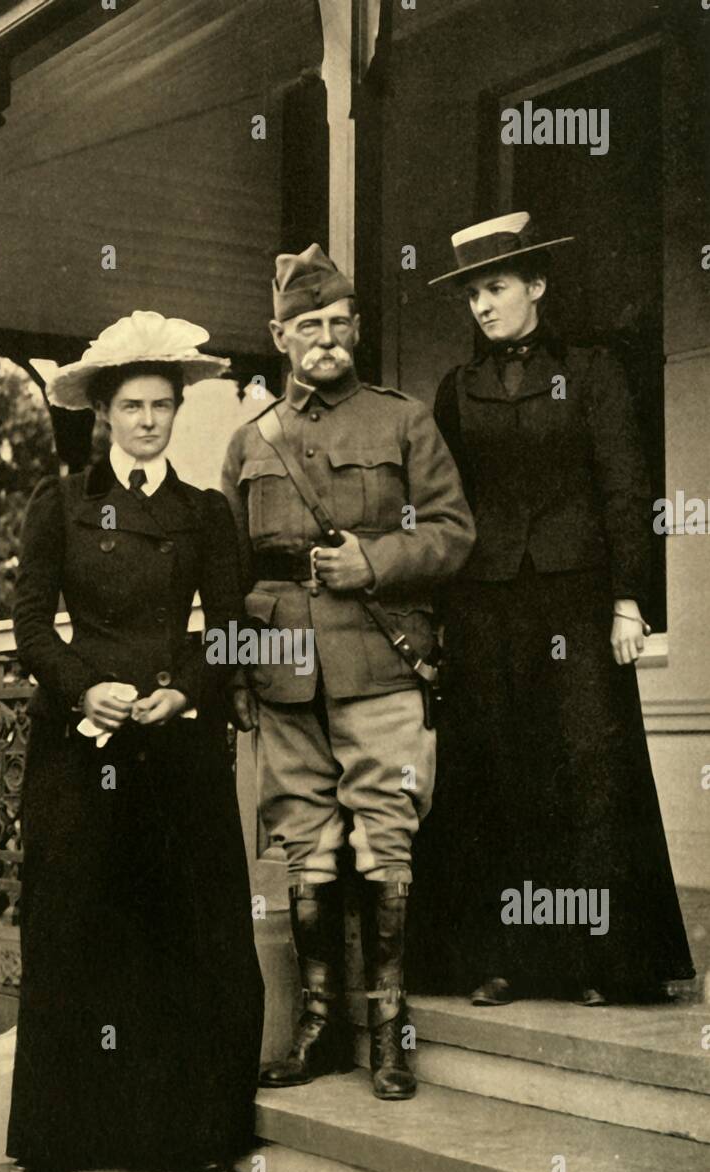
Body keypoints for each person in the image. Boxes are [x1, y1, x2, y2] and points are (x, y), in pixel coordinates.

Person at [6, 311, 264, 1172]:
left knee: (184, 932)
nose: (149, 420)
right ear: (103, 414)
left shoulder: (204, 515)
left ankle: (183, 1135)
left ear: (177, 410)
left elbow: (227, 630)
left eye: (162, 404)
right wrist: (87, 687)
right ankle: (69, 1133)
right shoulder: (61, 504)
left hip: (176, 747)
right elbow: (31, 627)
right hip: (81, 747)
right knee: (79, 926)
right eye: (132, 406)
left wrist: (182, 691)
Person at [414, 211, 695, 1006]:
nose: (483, 305)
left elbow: (623, 489)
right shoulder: (455, 389)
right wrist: (438, 616)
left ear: (535, 285)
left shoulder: (593, 371)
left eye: (495, 287)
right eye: (471, 293)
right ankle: (504, 960)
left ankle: (604, 964)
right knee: (497, 771)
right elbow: (444, 506)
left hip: (576, 601)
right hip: (484, 607)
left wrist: (628, 601)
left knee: (587, 769)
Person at [222, 244, 475, 1100]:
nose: (324, 339)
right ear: (279, 336)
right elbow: (226, 569)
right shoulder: (249, 440)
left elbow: (451, 534)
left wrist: (373, 561)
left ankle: (389, 1031)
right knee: (306, 843)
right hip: (280, 666)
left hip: (380, 658)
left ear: (357, 330)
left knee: (384, 840)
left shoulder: (402, 420)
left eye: (337, 325)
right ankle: (321, 1028)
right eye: (306, 327)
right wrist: (234, 671)